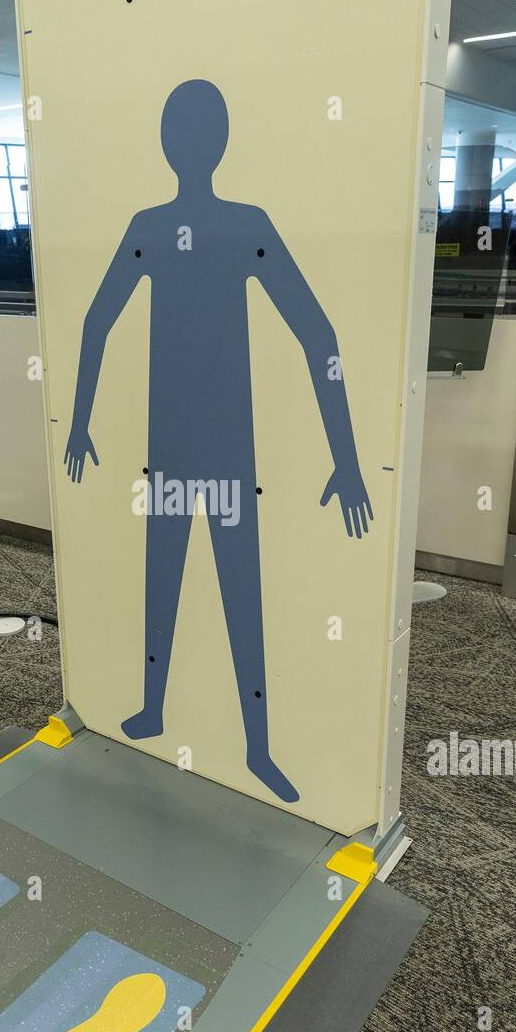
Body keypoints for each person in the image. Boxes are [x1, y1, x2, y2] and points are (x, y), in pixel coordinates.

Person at [64, 79, 372, 805]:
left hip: (186, 444)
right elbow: (318, 336)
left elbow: (94, 325)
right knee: (225, 592)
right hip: (205, 445)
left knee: (177, 582)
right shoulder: (240, 225)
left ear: (170, 144)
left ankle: (183, 720)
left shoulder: (166, 226)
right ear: (220, 141)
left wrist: (80, 420)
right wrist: (346, 459)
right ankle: (234, 740)